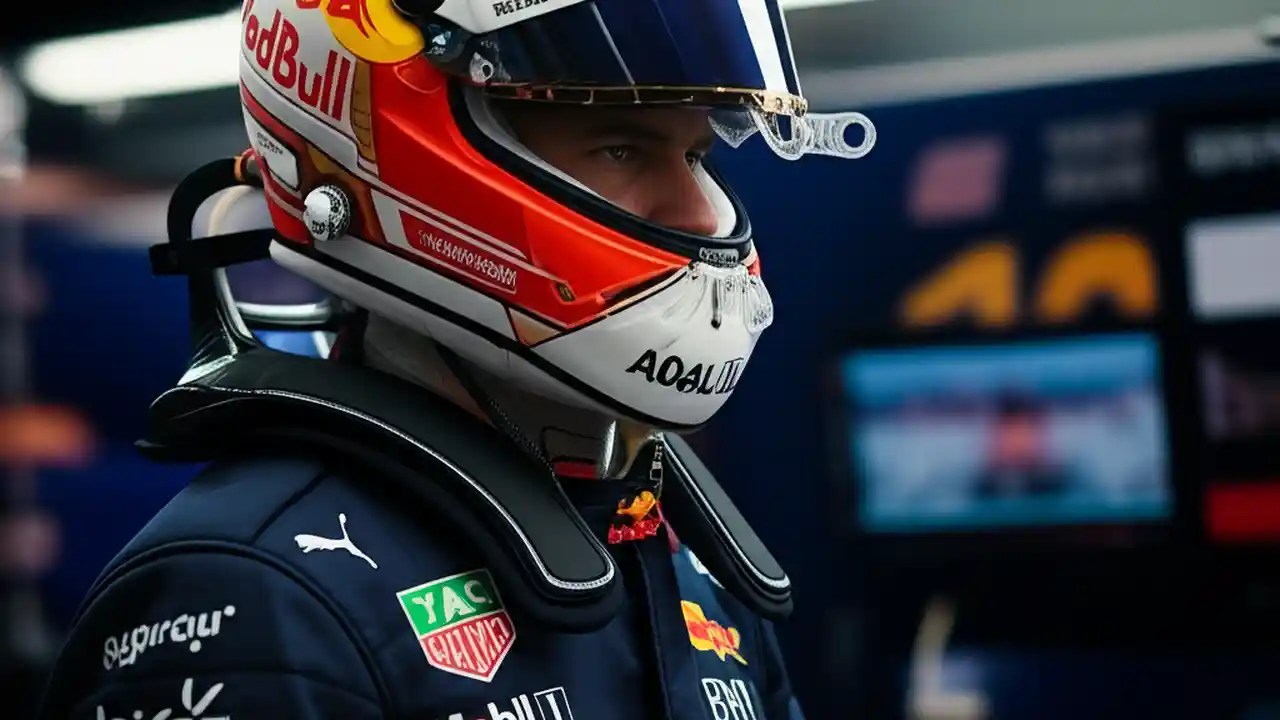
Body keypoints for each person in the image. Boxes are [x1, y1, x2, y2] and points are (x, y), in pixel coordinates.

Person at [36, 1, 873, 718]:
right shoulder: (254, 596)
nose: (700, 211)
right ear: (399, 149)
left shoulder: (676, 538)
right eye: (622, 148)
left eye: (697, 154)